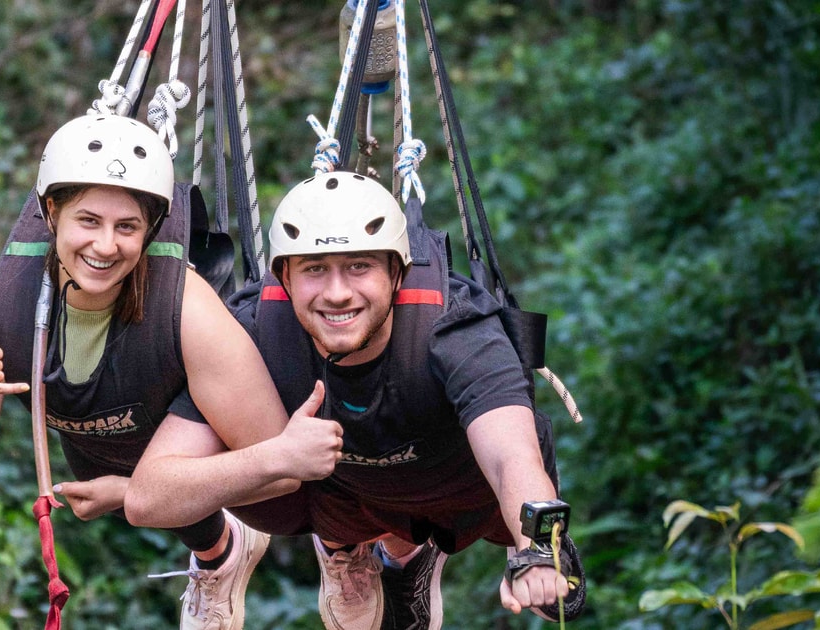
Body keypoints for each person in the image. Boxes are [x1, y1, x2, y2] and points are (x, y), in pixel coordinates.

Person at [0, 114, 343, 630]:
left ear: (150, 231)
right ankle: (217, 553)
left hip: (191, 425)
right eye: (88, 221)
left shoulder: (188, 310)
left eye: (127, 227)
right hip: (100, 434)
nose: (105, 246)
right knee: (107, 456)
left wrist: (133, 492)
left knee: (156, 480)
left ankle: (345, 544)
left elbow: (281, 470)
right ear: (52, 213)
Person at [126, 171, 586, 629]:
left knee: (519, 502)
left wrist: (539, 548)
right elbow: (148, 498)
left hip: (459, 487)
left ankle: (411, 556)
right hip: (345, 498)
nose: (337, 293)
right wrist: (276, 457)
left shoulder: (454, 327)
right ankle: (352, 549)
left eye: (359, 266)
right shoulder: (255, 332)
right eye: (314, 269)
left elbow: (512, 457)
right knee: (262, 476)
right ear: (283, 276)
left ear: (397, 272)